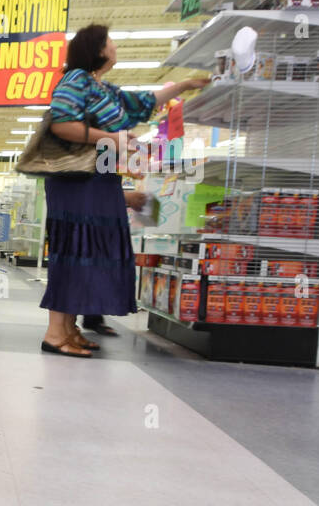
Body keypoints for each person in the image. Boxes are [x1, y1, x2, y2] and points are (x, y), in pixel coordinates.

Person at [40, 24, 209, 356]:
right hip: (76, 182)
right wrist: (111, 138)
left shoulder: (101, 88)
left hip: (95, 179)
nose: (115, 46)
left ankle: (68, 328)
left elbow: (141, 101)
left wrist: (185, 85)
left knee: (87, 251)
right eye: (111, 41)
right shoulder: (75, 80)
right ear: (99, 50)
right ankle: (54, 334)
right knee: (76, 250)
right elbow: (61, 123)